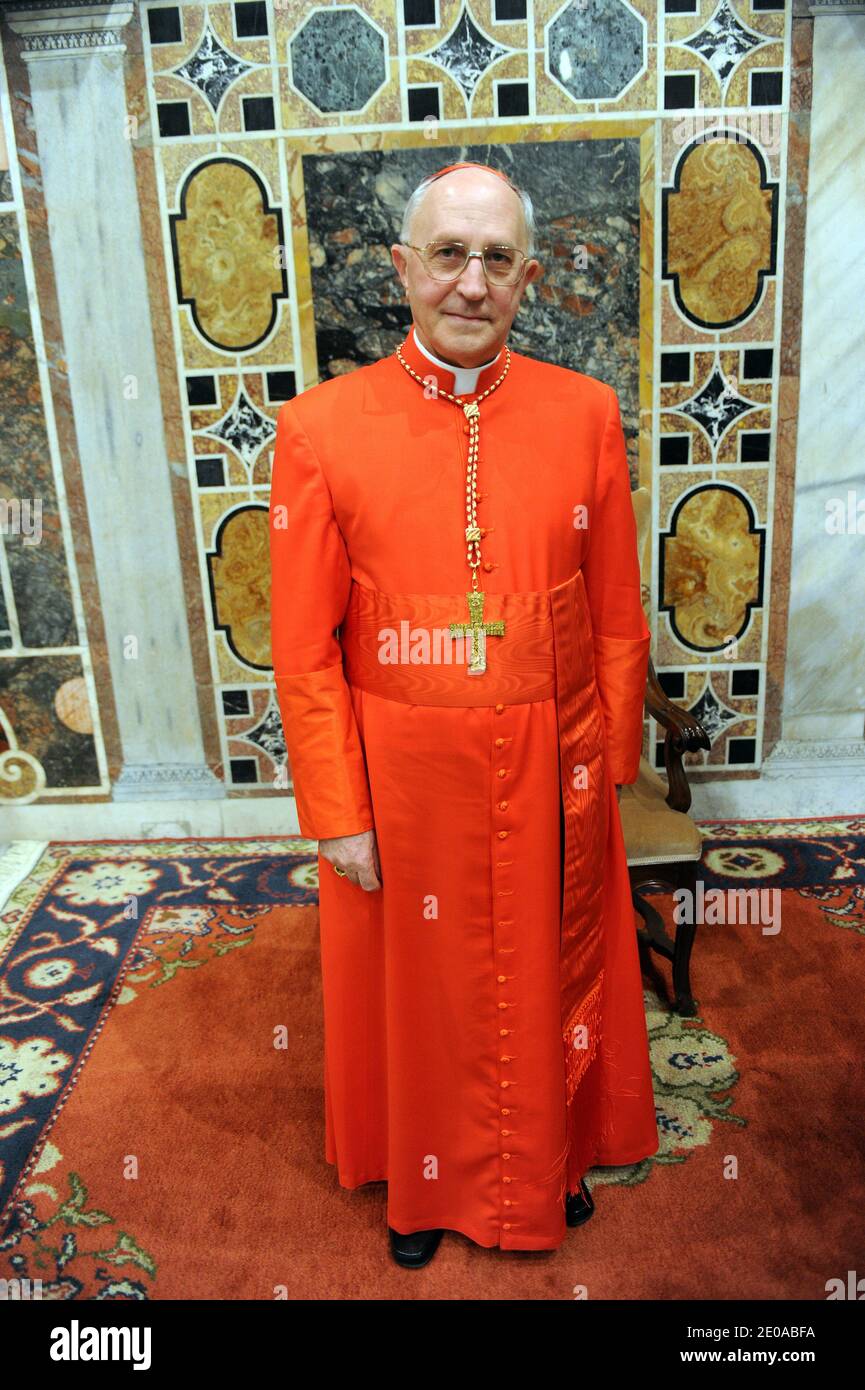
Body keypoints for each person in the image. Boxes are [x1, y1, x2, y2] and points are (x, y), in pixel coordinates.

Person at [268, 160, 658, 1269]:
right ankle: (421, 1191)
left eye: (496, 259)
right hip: (399, 778)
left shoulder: (584, 412)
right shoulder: (319, 429)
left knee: (545, 974)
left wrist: (610, 763)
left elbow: (616, 608)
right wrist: (338, 810)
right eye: (449, 254)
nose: (471, 283)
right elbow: (302, 647)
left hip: (551, 760)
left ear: (529, 277)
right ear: (403, 267)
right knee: (423, 996)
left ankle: (552, 1162)